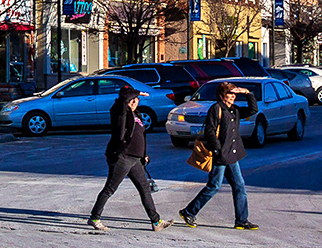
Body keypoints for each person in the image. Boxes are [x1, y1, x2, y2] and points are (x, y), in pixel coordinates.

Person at [87, 85, 174, 232]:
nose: (134, 102)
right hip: (122, 156)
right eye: (131, 100)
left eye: (137, 100)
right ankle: (94, 218)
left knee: (144, 188)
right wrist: (137, 92)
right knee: (110, 188)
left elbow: (140, 136)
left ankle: (156, 221)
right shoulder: (119, 112)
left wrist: (143, 154)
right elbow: (123, 99)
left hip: (135, 159)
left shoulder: (137, 115)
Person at [179, 81, 259, 230]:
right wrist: (217, 150)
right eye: (230, 94)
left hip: (231, 155)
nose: (233, 97)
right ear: (222, 96)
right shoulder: (216, 109)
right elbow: (210, 132)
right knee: (214, 186)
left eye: (234, 94)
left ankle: (241, 220)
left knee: (239, 186)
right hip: (220, 155)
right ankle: (189, 212)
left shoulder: (234, 110)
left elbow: (253, 110)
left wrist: (247, 93)